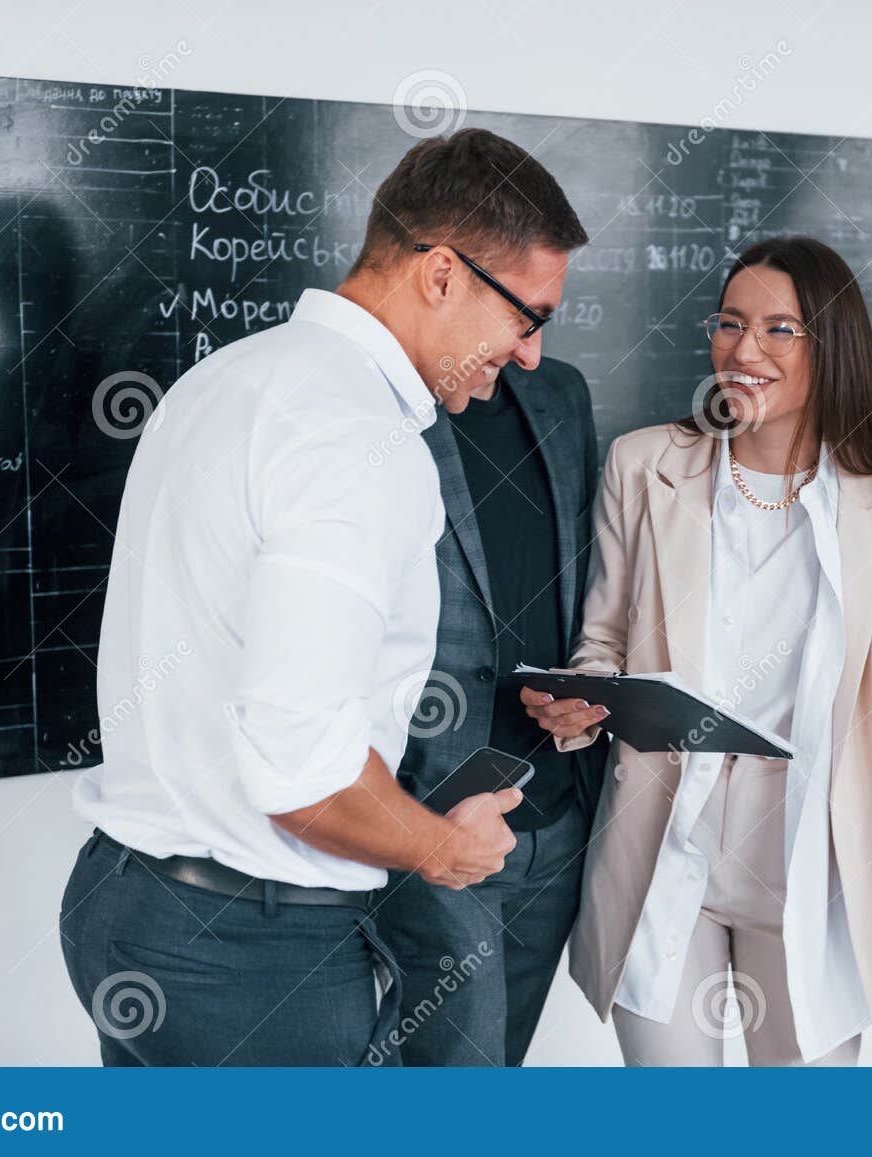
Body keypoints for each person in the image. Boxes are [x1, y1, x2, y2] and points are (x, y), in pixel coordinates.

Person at [58, 128, 588, 1066]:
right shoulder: (357, 439)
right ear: (440, 275)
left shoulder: (228, 377)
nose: (533, 354)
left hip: (136, 904)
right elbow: (301, 777)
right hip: (249, 955)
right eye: (527, 316)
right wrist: (442, 849)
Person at [522, 236, 872, 1066]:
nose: (744, 349)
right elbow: (603, 643)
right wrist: (579, 704)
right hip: (667, 850)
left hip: (815, 855)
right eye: (729, 324)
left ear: (830, 345)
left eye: (779, 330)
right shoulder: (645, 466)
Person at [374, 351, 607, 1066]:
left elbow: (589, 576)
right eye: (523, 311)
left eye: (545, 317)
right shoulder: (376, 402)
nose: (530, 347)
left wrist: (591, 684)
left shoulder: (561, 391)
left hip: (556, 813)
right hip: (431, 809)